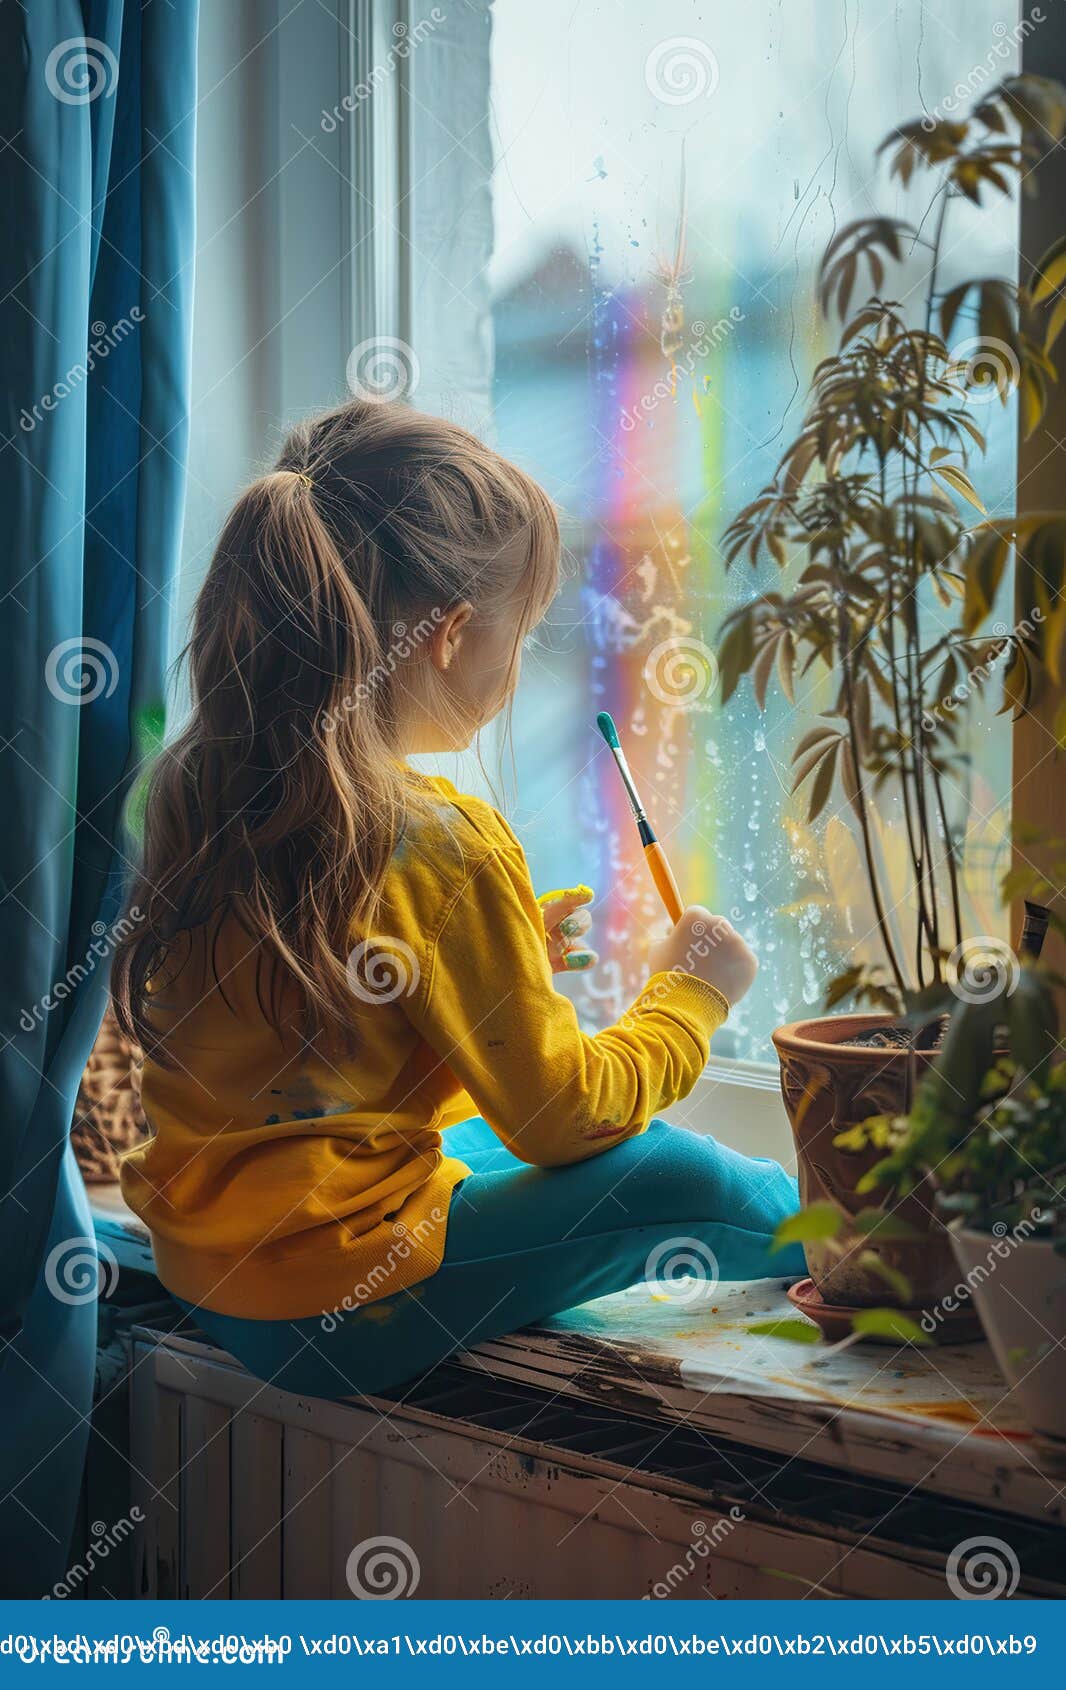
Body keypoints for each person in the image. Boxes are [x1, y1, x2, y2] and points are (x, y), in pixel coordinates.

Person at [113, 398, 802, 1401]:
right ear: (449, 635)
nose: (517, 667)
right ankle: (859, 1241)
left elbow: (311, 1034)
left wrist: (492, 954)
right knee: (677, 1175)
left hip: (203, 1266)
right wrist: (691, 995)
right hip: (329, 1311)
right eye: (520, 635)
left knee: (473, 1144)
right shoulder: (442, 842)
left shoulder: (204, 784)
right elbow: (564, 1118)